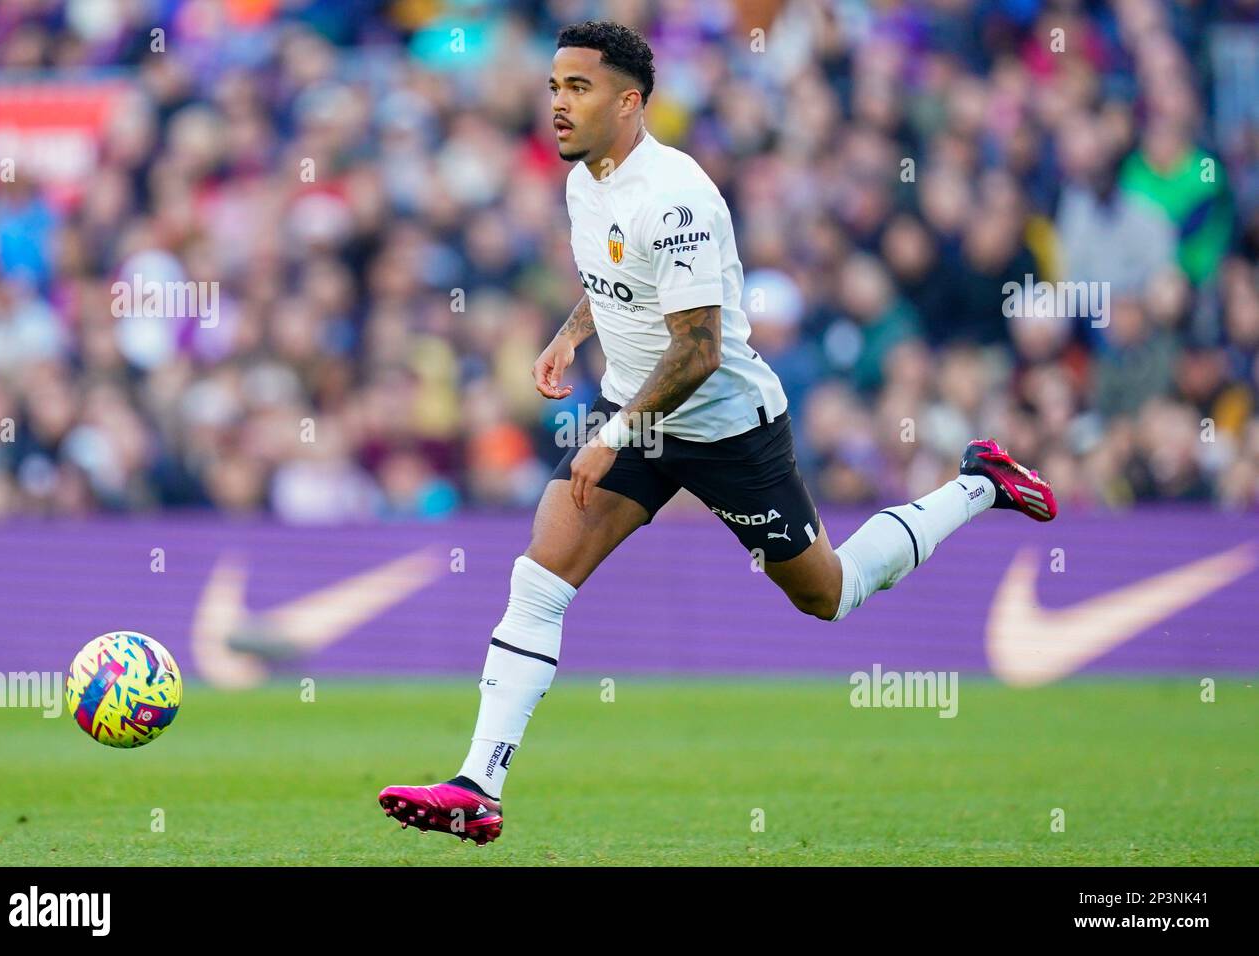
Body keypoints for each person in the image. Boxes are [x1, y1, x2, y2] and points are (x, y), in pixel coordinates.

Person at [378, 20, 1057, 845]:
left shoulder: (679, 194)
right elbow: (617, 275)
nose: (557, 103)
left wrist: (615, 433)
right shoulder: (584, 179)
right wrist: (570, 333)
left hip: (727, 426)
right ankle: (477, 784)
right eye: (554, 86)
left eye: (578, 88)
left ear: (630, 104)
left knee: (828, 593)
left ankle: (980, 480)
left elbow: (697, 351)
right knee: (540, 574)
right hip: (636, 415)